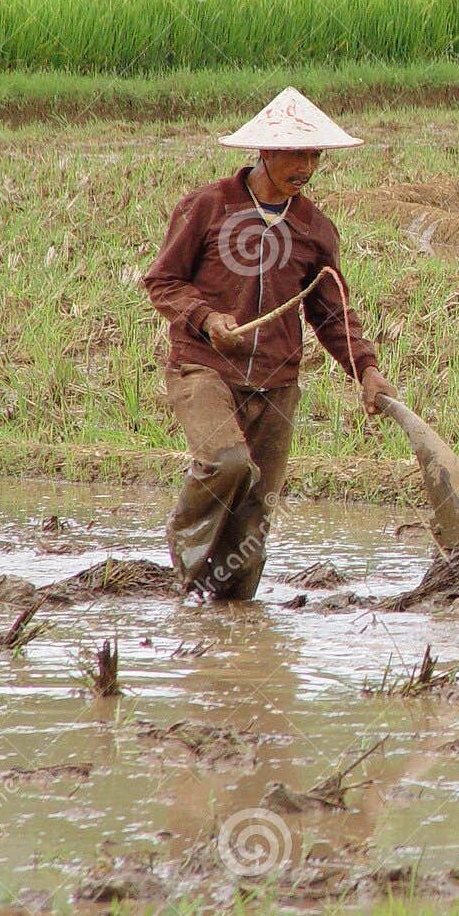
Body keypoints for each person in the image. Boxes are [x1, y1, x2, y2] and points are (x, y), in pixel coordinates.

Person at [144, 88, 398, 599]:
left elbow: (330, 312)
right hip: (204, 367)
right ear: (263, 152)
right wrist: (207, 317)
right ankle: (185, 573)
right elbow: (163, 281)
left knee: (257, 507)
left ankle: (234, 616)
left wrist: (365, 368)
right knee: (228, 461)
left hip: (276, 382)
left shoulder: (313, 229)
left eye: (314, 155)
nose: (307, 166)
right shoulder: (207, 207)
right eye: (296, 153)